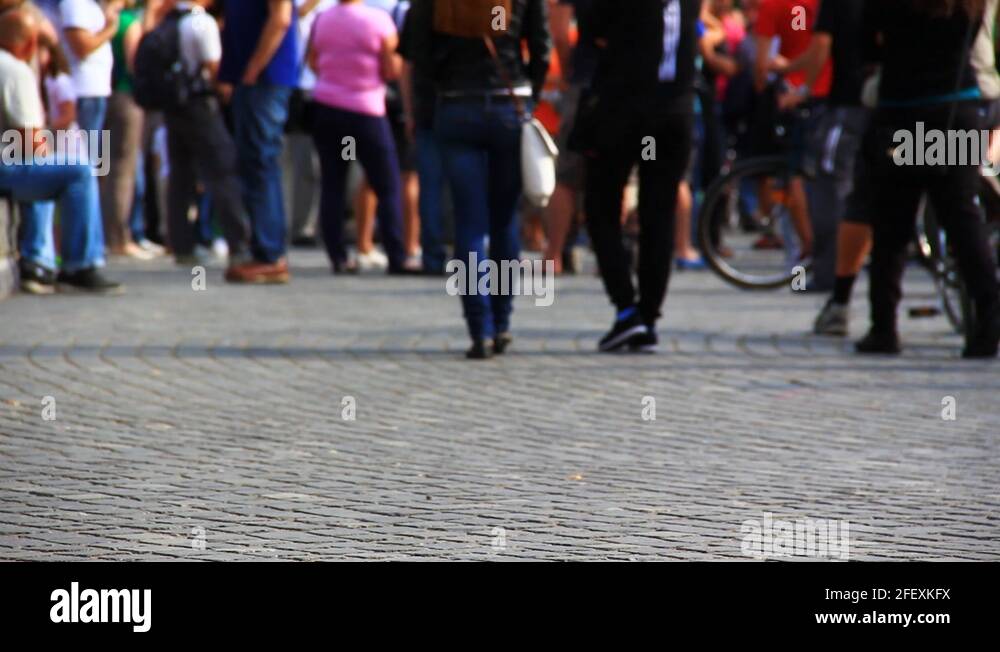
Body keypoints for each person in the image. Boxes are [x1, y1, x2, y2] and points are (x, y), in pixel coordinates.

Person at [403, 0, 551, 359]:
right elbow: (543, 51)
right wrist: (529, 90)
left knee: (469, 225)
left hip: (456, 106)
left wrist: (440, 84)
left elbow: (416, 55)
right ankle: (502, 321)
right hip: (508, 105)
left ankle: (478, 329)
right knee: (504, 221)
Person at [858, 0, 999, 359]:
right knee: (963, 220)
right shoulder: (970, 4)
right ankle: (988, 321)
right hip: (956, 109)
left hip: (903, 112)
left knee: (891, 227)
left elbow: (864, 44)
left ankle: (884, 327)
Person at [572, 0, 699, 353]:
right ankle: (647, 315)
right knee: (658, 215)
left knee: (601, 209)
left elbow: (591, 28)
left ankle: (627, 308)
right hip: (674, 110)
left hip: (624, 108)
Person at [0, 6, 122, 293]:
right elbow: (30, 142)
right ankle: (80, 264)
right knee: (76, 170)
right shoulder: (14, 71)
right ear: (29, 44)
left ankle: (37, 259)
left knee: (46, 169)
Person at [159, 0, 262, 281]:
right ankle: (238, 245)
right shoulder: (201, 22)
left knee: (180, 176)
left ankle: (181, 245)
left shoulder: (168, 20)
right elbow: (214, 68)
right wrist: (228, 92)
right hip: (199, 104)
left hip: (173, 105)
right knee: (223, 171)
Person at [306, 0, 410, 275]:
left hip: (328, 107)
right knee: (387, 184)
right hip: (366, 112)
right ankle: (397, 256)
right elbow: (392, 69)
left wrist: (337, 79)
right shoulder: (378, 21)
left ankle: (338, 257)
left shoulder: (323, 19)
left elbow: (313, 60)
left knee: (333, 183)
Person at [218, 0, 298, 283]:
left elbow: (280, 19)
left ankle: (270, 254)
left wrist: (252, 69)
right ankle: (264, 250)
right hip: (252, 79)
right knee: (253, 163)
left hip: (264, 79)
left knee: (261, 161)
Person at [543, 0, 596, 275]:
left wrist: (567, 73)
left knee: (567, 175)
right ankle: (609, 254)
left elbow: (559, 32)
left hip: (584, 82)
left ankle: (553, 255)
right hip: (626, 85)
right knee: (615, 172)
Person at [399, 0, 447, 275]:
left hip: (428, 107)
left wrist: (409, 111)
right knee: (470, 183)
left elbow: (407, 66)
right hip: (466, 101)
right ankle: (473, 256)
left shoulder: (418, 9)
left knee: (429, 183)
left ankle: (432, 256)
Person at [100, 0, 151, 259]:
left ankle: (104, 235)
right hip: (125, 96)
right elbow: (135, 65)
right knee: (122, 171)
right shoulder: (128, 23)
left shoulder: (96, 18)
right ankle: (119, 237)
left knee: (102, 169)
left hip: (101, 96)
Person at [60, 0, 120, 148]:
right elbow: (81, 47)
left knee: (94, 155)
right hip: (84, 90)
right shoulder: (74, 4)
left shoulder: (92, 4)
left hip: (95, 90)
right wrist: (110, 30)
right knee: (86, 156)